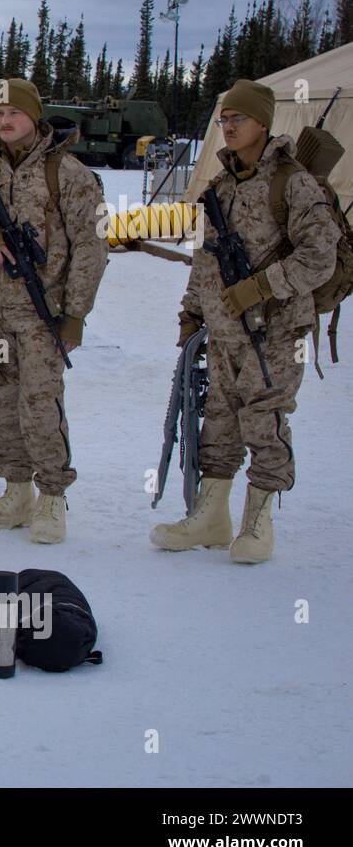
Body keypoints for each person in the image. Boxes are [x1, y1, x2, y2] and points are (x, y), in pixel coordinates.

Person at [151, 80, 339, 562]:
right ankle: (212, 517)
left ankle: (259, 523)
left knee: (264, 418)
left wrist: (260, 287)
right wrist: (192, 313)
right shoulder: (221, 188)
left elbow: (321, 256)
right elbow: (205, 262)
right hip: (225, 328)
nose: (228, 127)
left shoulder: (294, 184)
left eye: (237, 119)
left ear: (263, 123)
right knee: (218, 420)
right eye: (223, 119)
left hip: (276, 330)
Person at [0, 78, 107, 544]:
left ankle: (51, 497)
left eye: (13, 112)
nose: (5, 121)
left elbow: (91, 249)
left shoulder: (69, 175)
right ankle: (16, 492)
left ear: (34, 116)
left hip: (41, 316)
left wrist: (75, 315)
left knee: (40, 406)